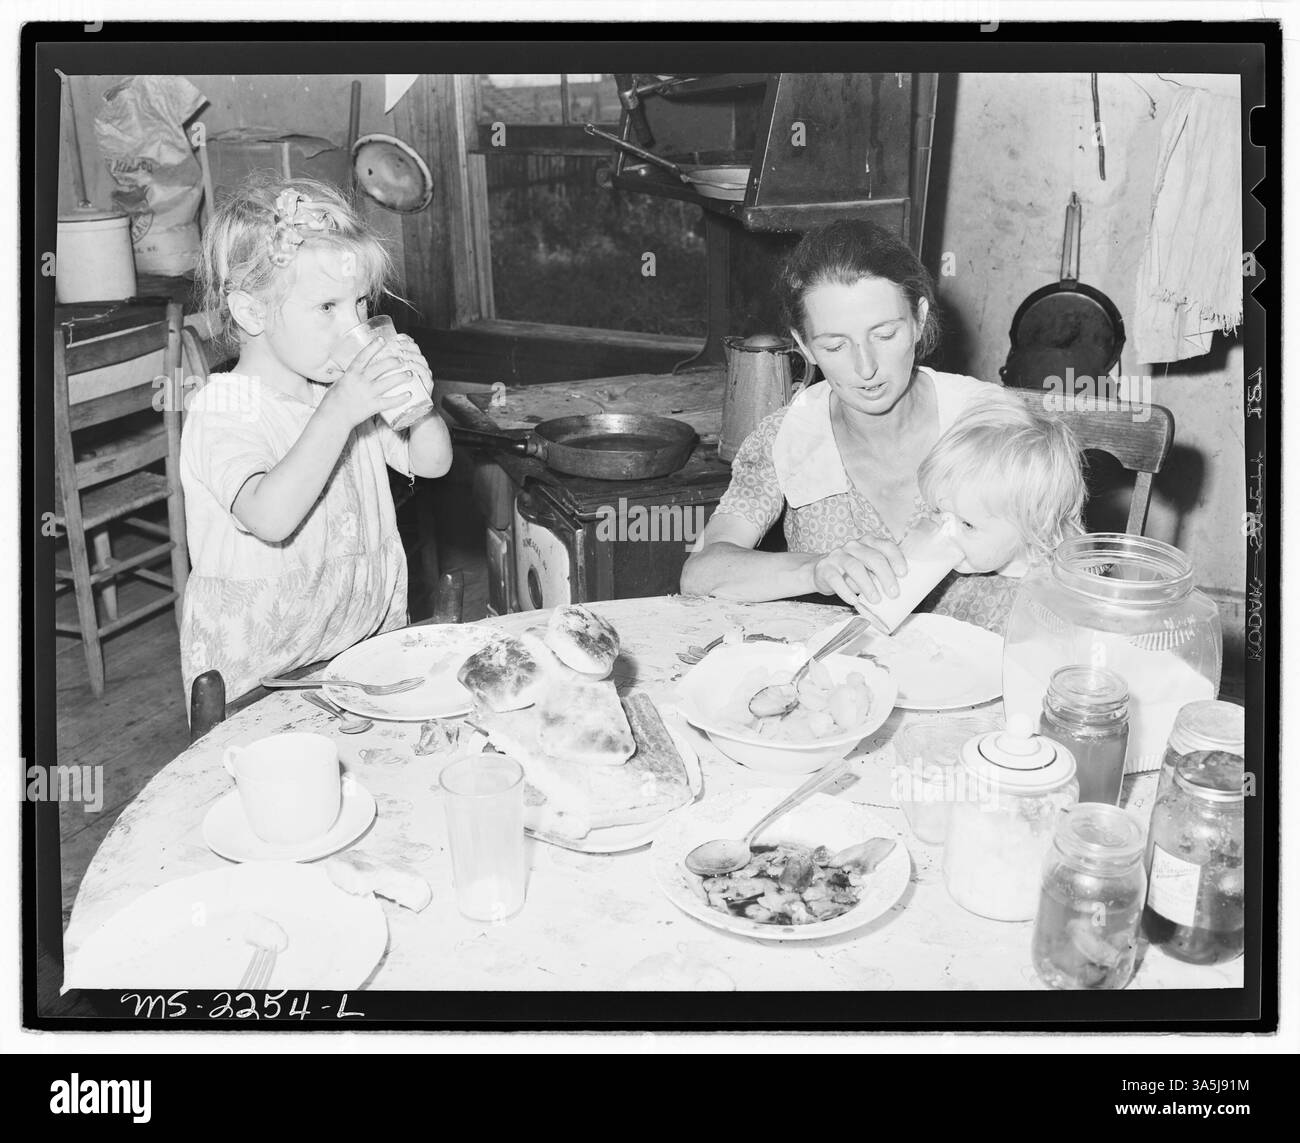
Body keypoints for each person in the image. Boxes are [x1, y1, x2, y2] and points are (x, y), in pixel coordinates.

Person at [179, 174, 452, 703]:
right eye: (327, 308)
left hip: (361, 645)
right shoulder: (225, 406)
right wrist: (338, 412)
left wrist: (417, 404)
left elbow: (434, 463)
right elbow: (269, 517)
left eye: (359, 305)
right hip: (259, 677)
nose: (354, 329)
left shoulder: (341, 389)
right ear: (251, 311)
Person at [680, 218, 997, 617]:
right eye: (835, 345)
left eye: (884, 335)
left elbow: (1071, 573)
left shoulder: (990, 422)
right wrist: (816, 570)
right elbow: (700, 575)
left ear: (918, 320)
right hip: (853, 673)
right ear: (805, 346)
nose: (865, 368)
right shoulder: (789, 438)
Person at [911, 390, 1087, 634]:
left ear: (1034, 528)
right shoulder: (959, 560)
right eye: (938, 511)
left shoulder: (1047, 607)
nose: (945, 530)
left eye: (968, 525)